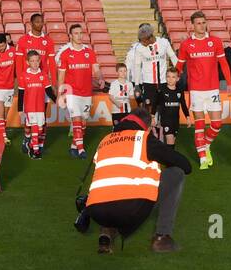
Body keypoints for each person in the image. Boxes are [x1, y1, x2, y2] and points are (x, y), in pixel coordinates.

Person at [81, 105, 193, 254]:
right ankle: (162, 238)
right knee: (176, 173)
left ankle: (107, 230)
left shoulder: (105, 140)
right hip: (129, 208)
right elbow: (185, 165)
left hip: (97, 211)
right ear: (146, 127)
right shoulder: (143, 138)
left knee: (113, 181)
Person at [175, 11, 231, 169]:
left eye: (204, 22)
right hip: (196, 91)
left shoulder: (215, 41)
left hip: (213, 89)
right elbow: (179, 66)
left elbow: (223, 63)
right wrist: (173, 80)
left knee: (216, 124)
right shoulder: (186, 44)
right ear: (192, 25)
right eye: (199, 23)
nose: (202, 25)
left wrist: (229, 82)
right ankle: (202, 158)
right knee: (200, 125)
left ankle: (205, 145)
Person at [57, 22, 102, 159]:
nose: (79, 35)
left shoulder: (89, 52)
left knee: (83, 122)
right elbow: (61, 76)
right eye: (76, 33)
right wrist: (60, 94)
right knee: (76, 118)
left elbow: (96, 69)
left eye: (80, 33)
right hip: (71, 92)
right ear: (70, 36)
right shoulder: (65, 54)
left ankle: (73, 146)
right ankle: (81, 150)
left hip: (87, 92)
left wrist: (100, 78)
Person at [125, 24, 178, 110]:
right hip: (148, 82)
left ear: (150, 37)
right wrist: (137, 85)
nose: (142, 43)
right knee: (148, 107)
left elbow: (172, 57)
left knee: (164, 107)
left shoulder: (164, 42)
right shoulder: (139, 48)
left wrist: (178, 72)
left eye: (143, 41)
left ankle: (162, 123)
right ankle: (149, 123)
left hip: (164, 81)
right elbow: (137, 65)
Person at [19, 50, 54, 158]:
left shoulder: (43, 75)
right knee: (34, 127)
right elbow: (21, 93)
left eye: (36, 61)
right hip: (29, 107)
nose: (34, 63)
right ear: (27, 62)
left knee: (39, 129)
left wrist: (57, 100)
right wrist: (20, 109)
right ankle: (35, 151)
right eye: (32, 61)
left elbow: (48, 91)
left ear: (39, 61)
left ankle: (30, 144)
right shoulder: (24, 76)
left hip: (40, 107)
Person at [153, 66, 188, 147]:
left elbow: (183, 103)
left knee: (172, 142)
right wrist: (152, 116)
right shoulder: (162, 89)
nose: (170, 79)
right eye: (168, 76)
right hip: (166, 120)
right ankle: (169, 159)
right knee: (170, 140)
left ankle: (168, 156)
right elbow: (155, 103)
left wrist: (188, 116)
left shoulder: (179, 90)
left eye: (173, 77)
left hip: (175, 121)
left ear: (177, 79)